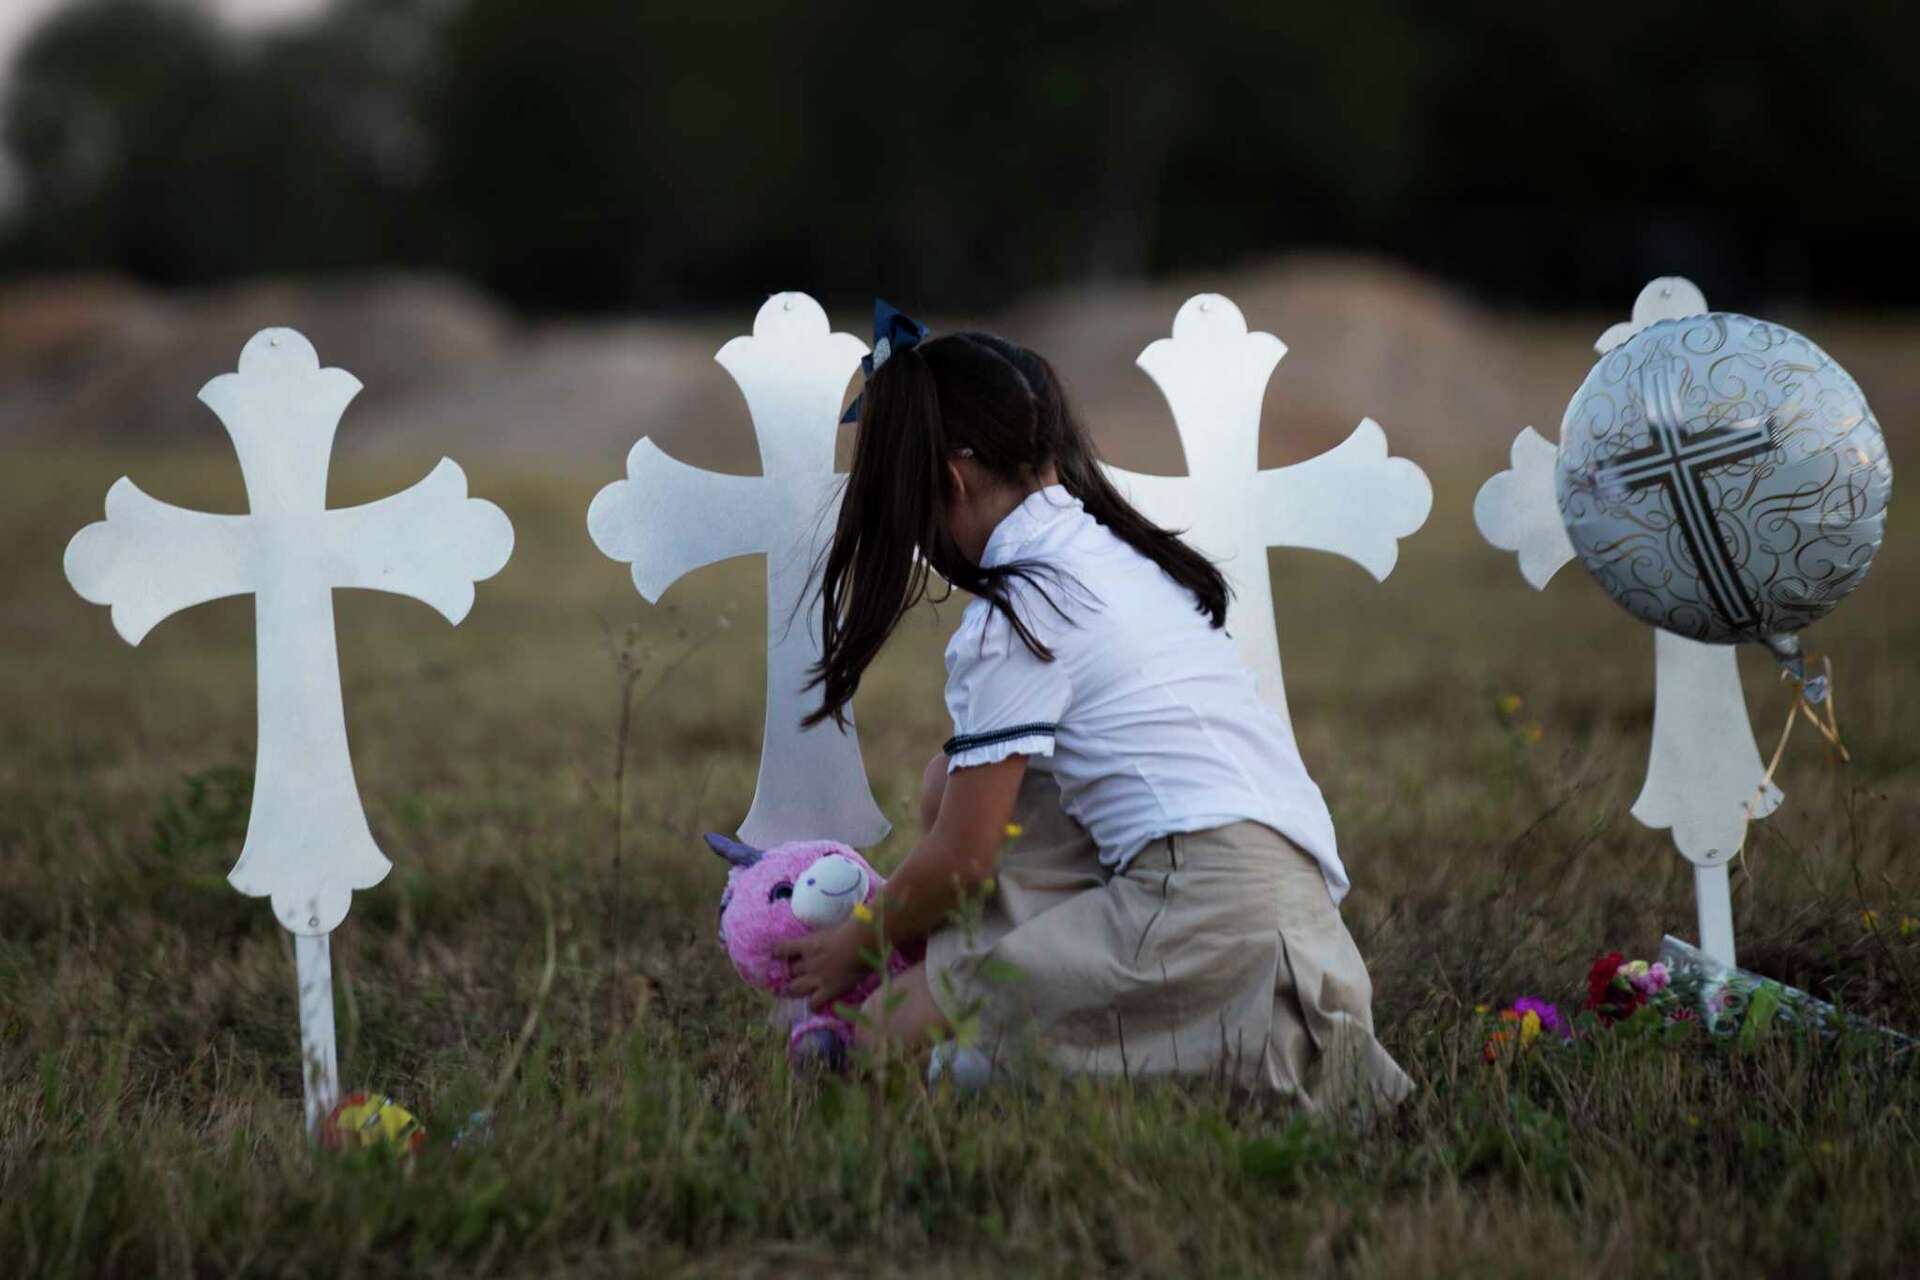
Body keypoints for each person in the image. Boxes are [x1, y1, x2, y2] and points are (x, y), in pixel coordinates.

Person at [776, 303, 1410, 1110]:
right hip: (1303, 935)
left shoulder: (1020, 607)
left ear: (949, 482)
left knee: (901, 1038)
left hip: (1198, 911)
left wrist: (859, 947)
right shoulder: (1125, 558)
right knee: (954, 777)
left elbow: (964, 864)